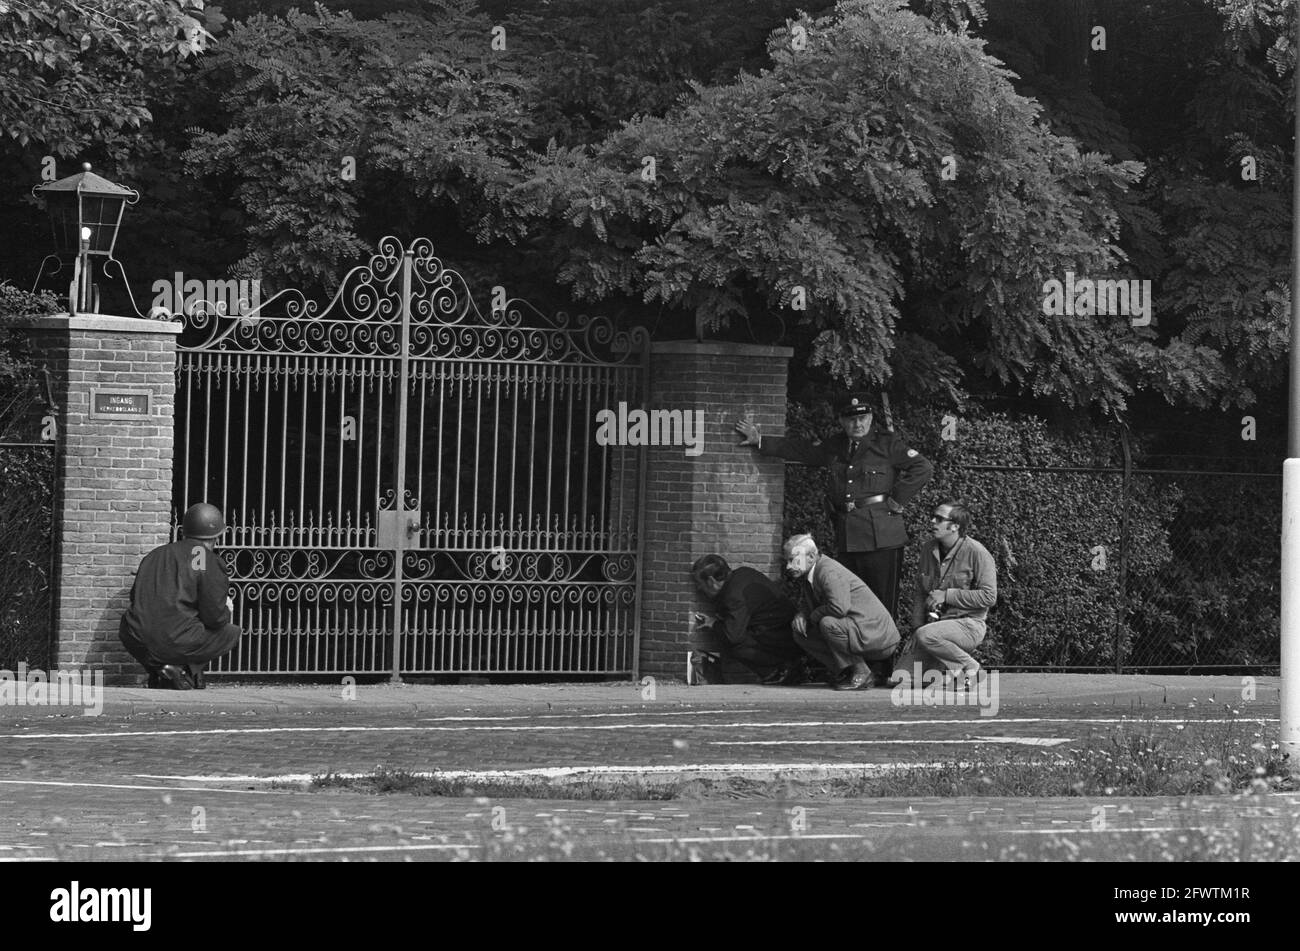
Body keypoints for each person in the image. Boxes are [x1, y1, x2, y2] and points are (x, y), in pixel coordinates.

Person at [734, 392, 932, 625]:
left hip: (882, 537)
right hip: (848, 536)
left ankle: (882, 661)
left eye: (863, 418)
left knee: (881, 606)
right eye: (851, 419)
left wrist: (897, 500)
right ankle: (856, 658)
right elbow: (803, 450)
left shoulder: (887, 444)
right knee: (849, 604)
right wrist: (761, 441)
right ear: (841, 420)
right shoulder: (836, 445)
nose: (858, 424)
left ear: (870, 417)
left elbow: (923, 467)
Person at [119, 503, 241, 690]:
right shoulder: (201, 557)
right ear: (215, 536)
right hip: (177, 640)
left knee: (160, 632)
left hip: (135, 636)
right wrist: (226, 610)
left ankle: (163, 669)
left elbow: (136, 596)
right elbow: (214, 617)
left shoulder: (157, 554)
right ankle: (184, 670)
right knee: (231, 633)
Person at [892, 499, 997, 689]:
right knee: (899, 679)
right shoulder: (928, 549)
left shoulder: (977, 552)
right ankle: (946, 673)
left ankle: (970, 668)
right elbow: (920, 592)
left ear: (955, 526)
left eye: (939, 519)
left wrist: (947, 595)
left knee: (927, 635)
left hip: (968, 625)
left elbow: (989, 597)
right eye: (933, 516)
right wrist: (917, 629)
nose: (932, 521)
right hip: (933, 629)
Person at [782, 534, 899, 690]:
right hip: (860, 629)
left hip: (878, 636)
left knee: (828, 623)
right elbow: (810, 602)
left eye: (792, 560)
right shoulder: (810, 572)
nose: (788, 567)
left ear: (811, 556)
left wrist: (812, 616)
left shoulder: (828, 572)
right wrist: (801, 615)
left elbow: (839, 608)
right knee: (801, 632)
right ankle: (847, 671)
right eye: (787, 561)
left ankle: (862, 673)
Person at [690, 554, 804, 685]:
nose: (699, 589)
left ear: (711, 581)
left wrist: (714, 624)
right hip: (784, 633)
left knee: (734, 645)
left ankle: (779, 672)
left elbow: (732, 636)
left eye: (700, 584)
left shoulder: (734, 596)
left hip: (783, 640)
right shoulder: (742, 575)